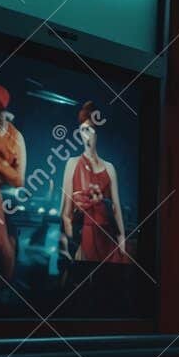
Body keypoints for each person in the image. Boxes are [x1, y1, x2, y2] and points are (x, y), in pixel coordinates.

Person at [61, 101, 129, 264]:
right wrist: (69, 244)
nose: (86, 135)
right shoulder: (72, 163)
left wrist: (122, 238)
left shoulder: (109, 168)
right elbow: (65, 212)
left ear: (98, 133)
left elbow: (116, 208)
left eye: (91, 129)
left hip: (107, 239)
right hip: (83, 238)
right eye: (83, 130)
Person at [0, 83, 28, 289]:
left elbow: (18, 180)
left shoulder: (16, 138)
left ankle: (5, 286)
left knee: (0, 243)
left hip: (4, 197)